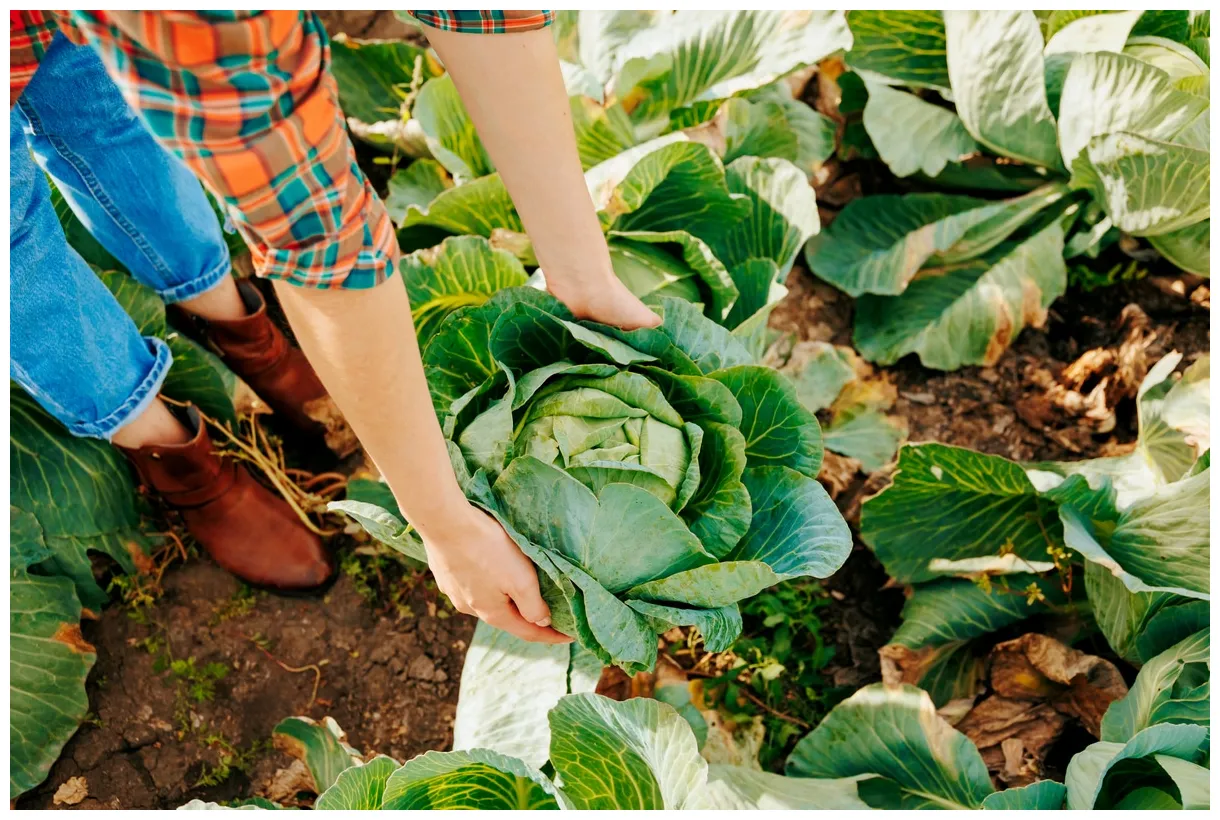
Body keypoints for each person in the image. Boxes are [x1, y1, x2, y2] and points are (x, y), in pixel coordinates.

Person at [10, 11, 659, 644]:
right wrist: (443, 523)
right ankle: (169, 453)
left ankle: (233, 322)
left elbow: (485, 16)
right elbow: (321, 243)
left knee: (102, 107)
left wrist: (583, 278)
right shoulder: (216, 25)